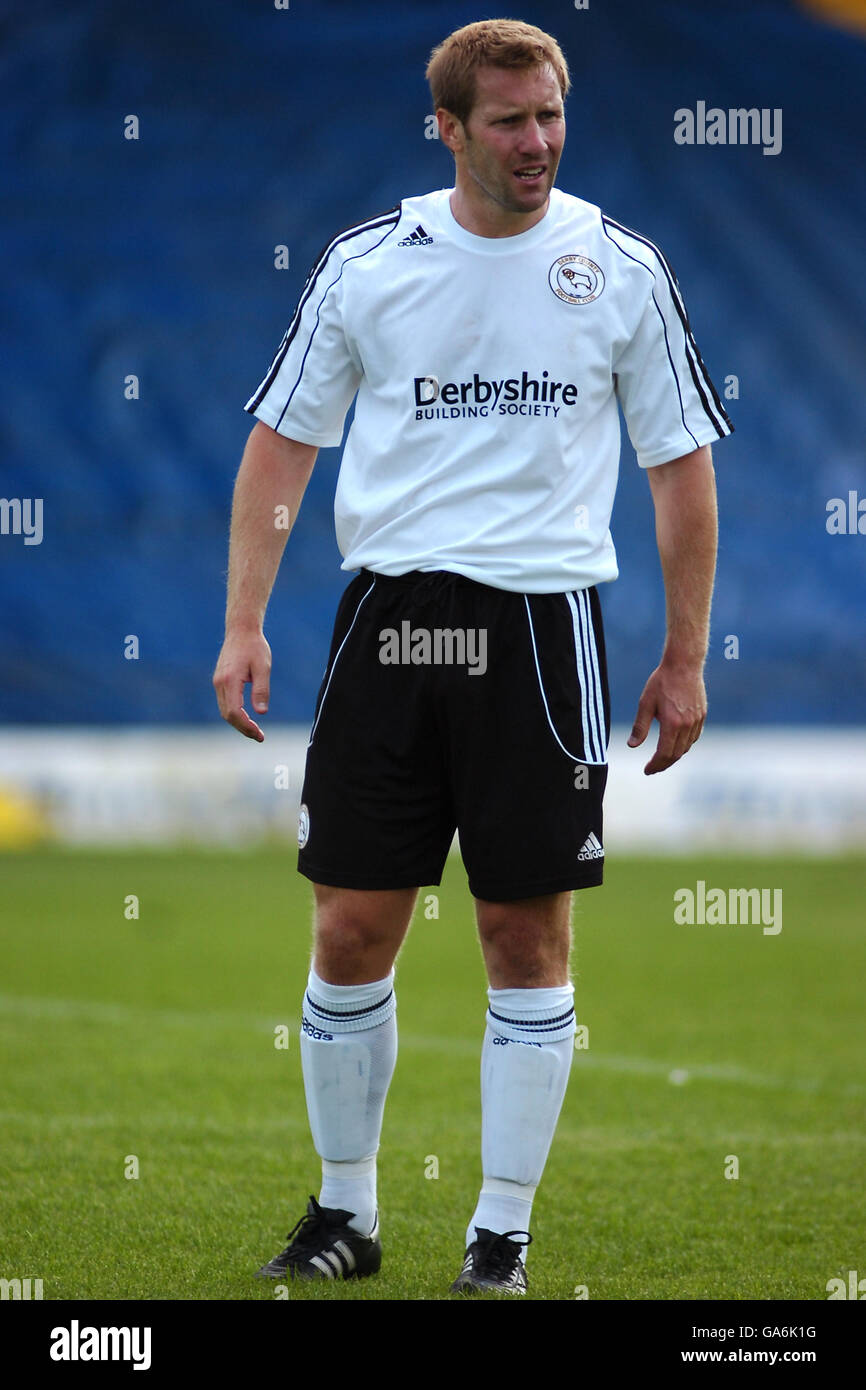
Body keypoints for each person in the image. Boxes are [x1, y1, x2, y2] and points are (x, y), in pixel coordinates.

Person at [212, 17, 733, 1296]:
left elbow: (681, 473)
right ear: (446, 128)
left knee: (521, 933)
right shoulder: (366, 264)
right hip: (386, 624)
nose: (536, 141)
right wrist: (242, 619)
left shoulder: (619, 268)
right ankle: (344, 1214)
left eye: (549, 115)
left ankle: (497, 1234)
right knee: (348, 924)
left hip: (541, 632)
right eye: (507, 121)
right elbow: (282, 446)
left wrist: (681, 657)